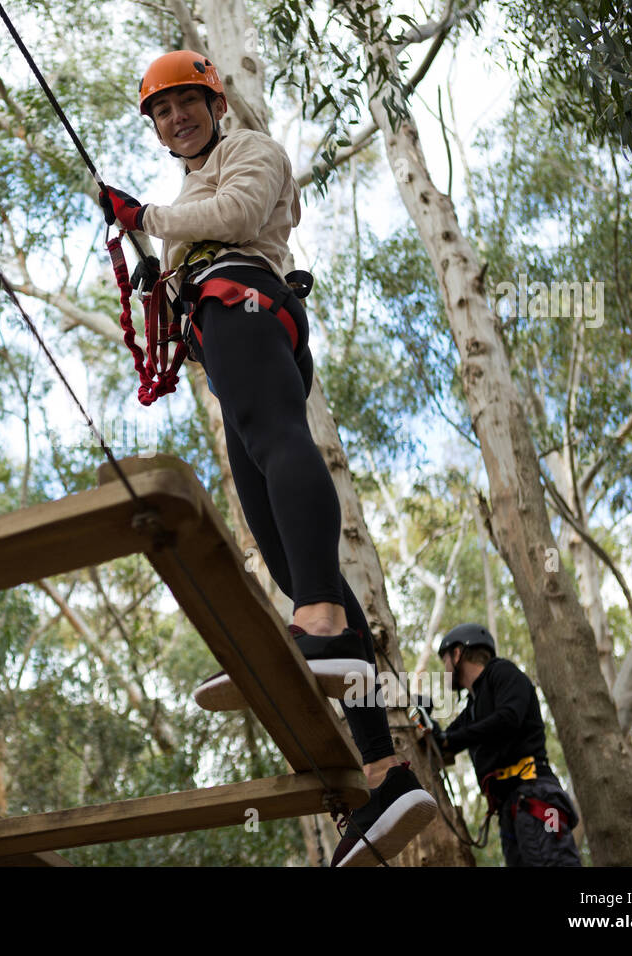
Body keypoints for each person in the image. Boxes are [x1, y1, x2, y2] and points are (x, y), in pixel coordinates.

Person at [98, 49, 435, 866]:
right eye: (162, 111)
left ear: (215, 104)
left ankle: (316, 620)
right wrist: (155, 260)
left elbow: (242, 214)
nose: (177, 119)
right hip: (219, 324)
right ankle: (386, 771)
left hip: (245, 296)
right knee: (283, 547)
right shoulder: (185, 192)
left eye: (188, 104)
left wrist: (146, 218)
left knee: (284, 448)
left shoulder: (253, 150)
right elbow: (186, 234)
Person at [435, 622, 582, 866]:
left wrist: (453, 739)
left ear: (458, 653)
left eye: (445, 662)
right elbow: (446, 742)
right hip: (510, 808)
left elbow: (508, 718)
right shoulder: (472, 707)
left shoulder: (502, 673)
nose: (445, 670)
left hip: (535, 793)